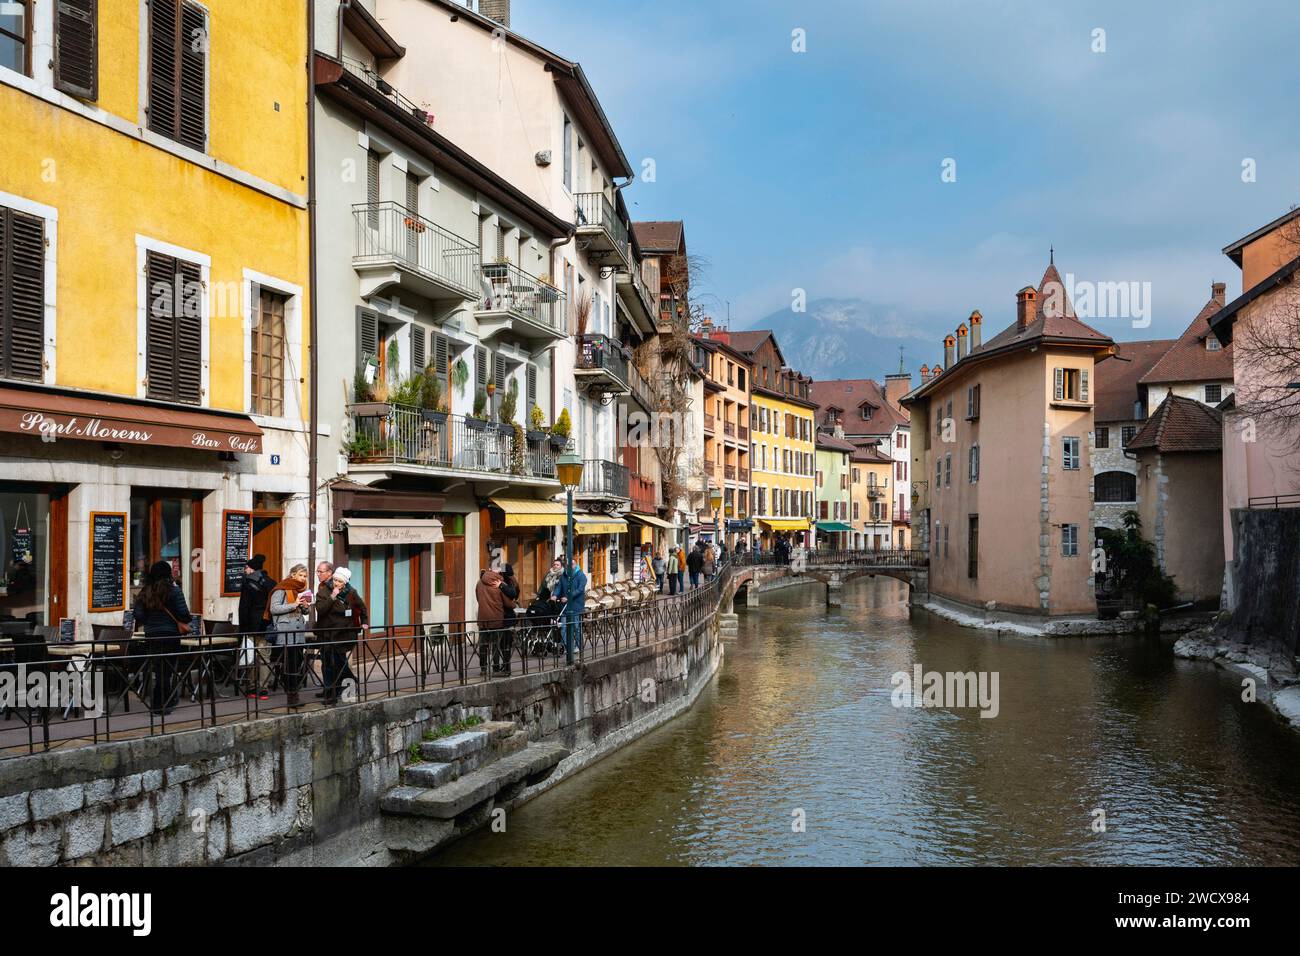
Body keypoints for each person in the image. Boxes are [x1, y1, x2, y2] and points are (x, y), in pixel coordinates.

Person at [131, 561, 190, 716]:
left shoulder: (145, 591)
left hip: (151, 635)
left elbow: (137, 614)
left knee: (158, 670)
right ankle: (160, 705)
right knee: (167, 671)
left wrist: (149, 621)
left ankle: (166, 701)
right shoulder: (174, 591)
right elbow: (185, 615)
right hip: (170, 634)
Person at [314, 566, 366, 705]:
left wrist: (365, 622)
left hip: (343, 634)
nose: (336, 583)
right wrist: (332, 597)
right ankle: (330, 693)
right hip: (327, 633)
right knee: (328, 665)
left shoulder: (351, 592)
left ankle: (340, 688)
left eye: (340, 581)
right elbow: (320, 609)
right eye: (335, 580)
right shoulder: (324, 591)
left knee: (339, 663)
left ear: (345, 582)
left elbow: (361, 607)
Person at [266, 563, 312, 707]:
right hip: (285, 631)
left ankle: (294, 695)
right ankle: (292, 697)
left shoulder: (300, 590)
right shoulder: (281, 588)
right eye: (301, 575)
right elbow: (274, 608)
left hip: (297, 632)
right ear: (293, 575)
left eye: (305, 576)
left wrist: (305, 607)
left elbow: (304, 613)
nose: (303, 578)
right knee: (290, 664)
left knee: (297, 663)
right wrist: (294, 604)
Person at [238, 555, 275, 698]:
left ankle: (252, 688)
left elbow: (244, 607)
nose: (245, 570)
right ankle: (264, 688)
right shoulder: (271, 582)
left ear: (252, 568)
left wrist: (242, 628)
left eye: (246, 567)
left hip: (251, 625)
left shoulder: (248, 582)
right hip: (267, 623)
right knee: (264, 656)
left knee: (252, 655)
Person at [475, 569, 515, 676]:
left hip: (482, 618)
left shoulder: (479, 583)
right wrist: (513, 605)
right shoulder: (498, 584)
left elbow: (478, 598)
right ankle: (495, 668)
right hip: (496, 618)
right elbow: (509, 604)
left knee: (483, 644)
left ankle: (483, 668)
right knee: (495, 645)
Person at [553, 557, 587, 656]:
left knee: (576, 627)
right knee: (563, 627)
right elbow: (559, 587)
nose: (570, 566)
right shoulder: (564, 575)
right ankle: (568, 646)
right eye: (568, 565)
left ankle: (578, 646)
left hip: (576, 606)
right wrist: (555, 595)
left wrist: (568, 597)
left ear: (575, 564)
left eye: (572, 564)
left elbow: (580, 589)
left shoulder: (581, 575)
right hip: (565, 607)